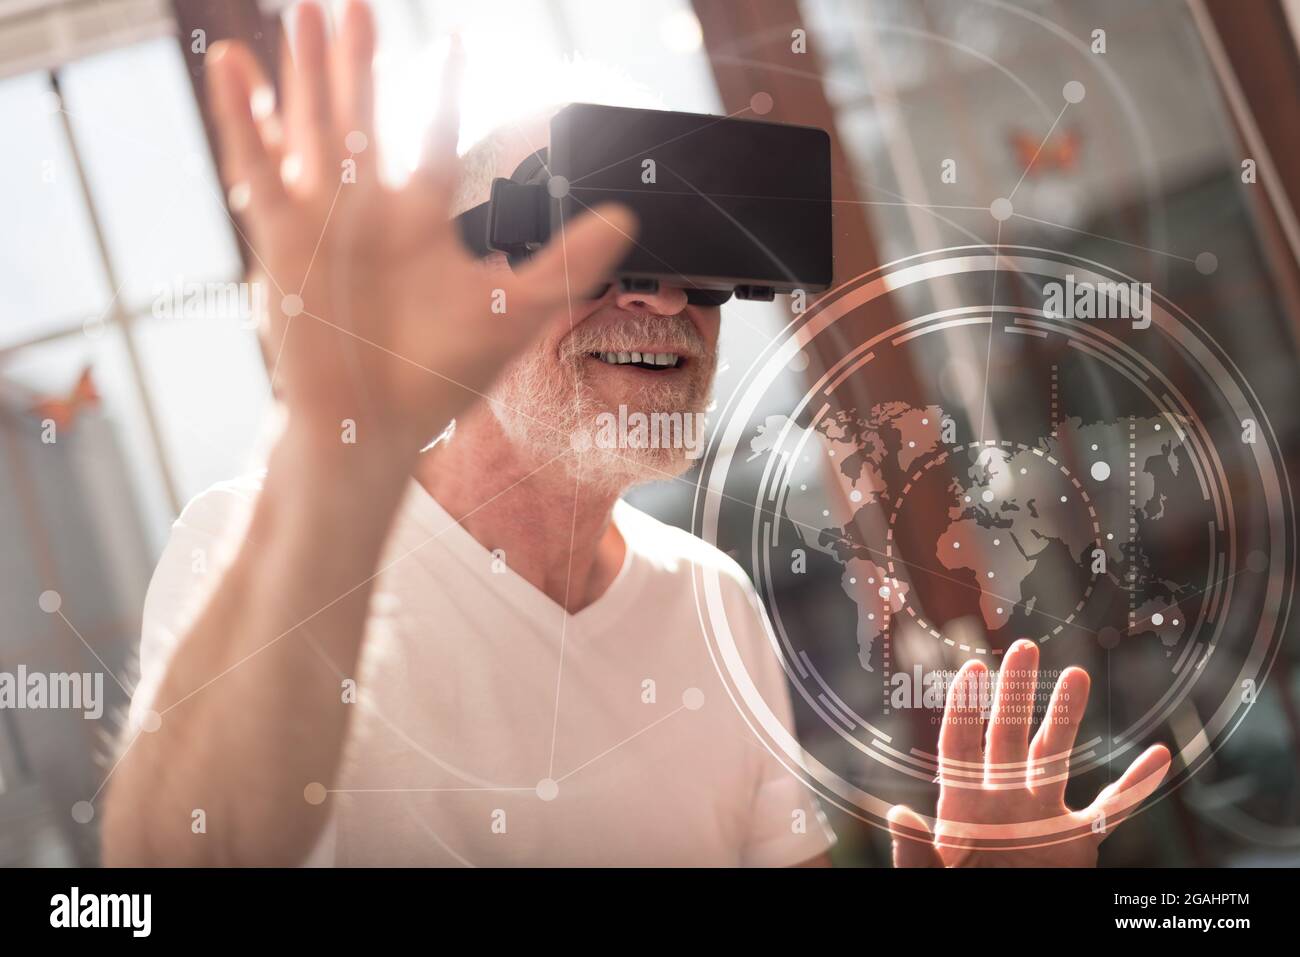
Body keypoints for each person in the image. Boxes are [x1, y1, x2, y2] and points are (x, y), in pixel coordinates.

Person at [101, 0, 1170, 867]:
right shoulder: (265, 549)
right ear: (468, 277)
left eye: (700, 260)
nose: (666, 305)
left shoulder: (714, 604)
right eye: (596, 248)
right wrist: (339, 467)